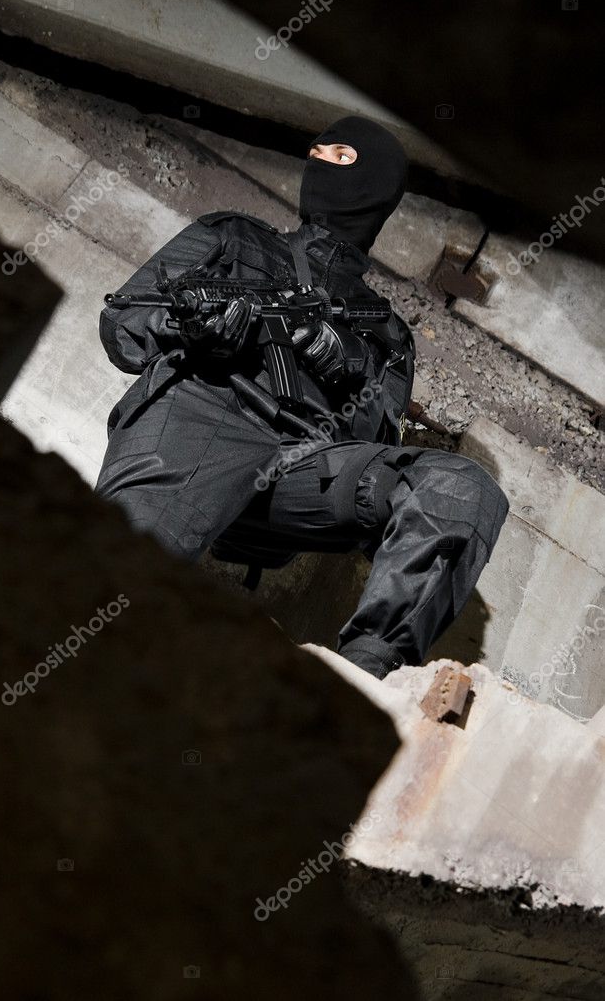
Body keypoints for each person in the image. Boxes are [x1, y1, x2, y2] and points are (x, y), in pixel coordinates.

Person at [96, 116, 509, 679]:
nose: (319, 161)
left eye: (341, 155)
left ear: (379, 186)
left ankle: (365, 680)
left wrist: (343, 368)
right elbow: (122, 326)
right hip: (202, 420)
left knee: (463, 489)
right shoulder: (233, 236)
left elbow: (377, 449)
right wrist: (192, 327)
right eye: (320, 151)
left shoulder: (386, 331)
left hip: (300, 470)